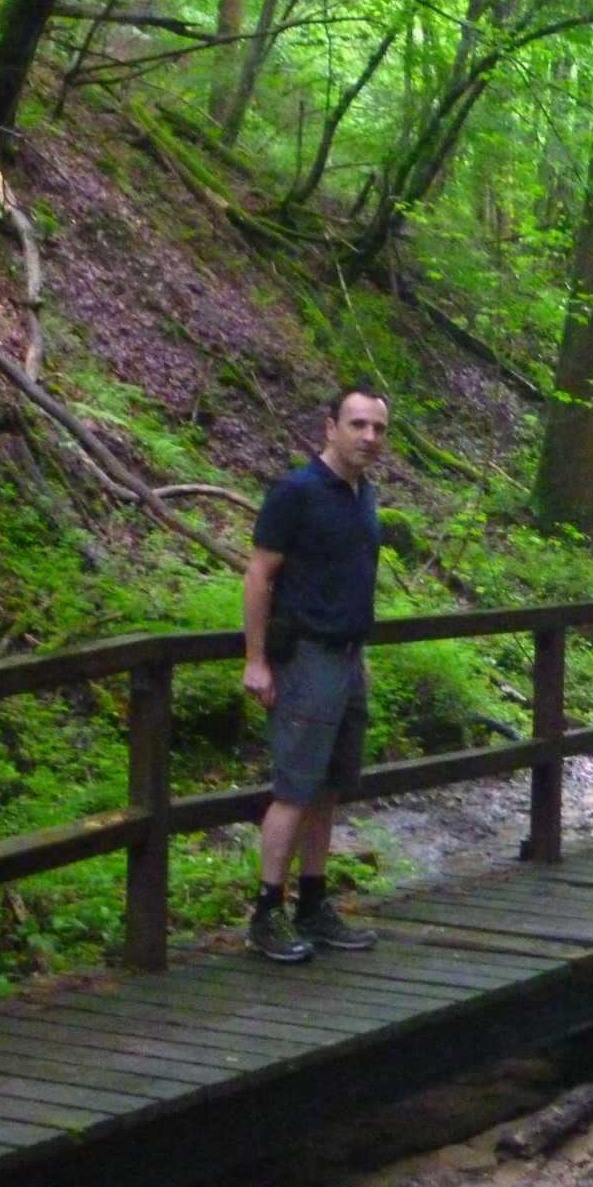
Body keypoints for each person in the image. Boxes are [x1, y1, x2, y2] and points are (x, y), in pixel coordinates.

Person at [239, 385, 390, 962]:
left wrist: (358, 656)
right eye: (358, 424)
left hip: (347, 658)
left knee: (328, 788)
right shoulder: (296, 493)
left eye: (378, 428)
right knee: (295, 789)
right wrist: (256, 659)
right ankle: (266, 912)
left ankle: (313, 904)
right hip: (304, 657)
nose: (369, 437)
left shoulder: (363, 494)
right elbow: (259, 575)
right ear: (330, 427)